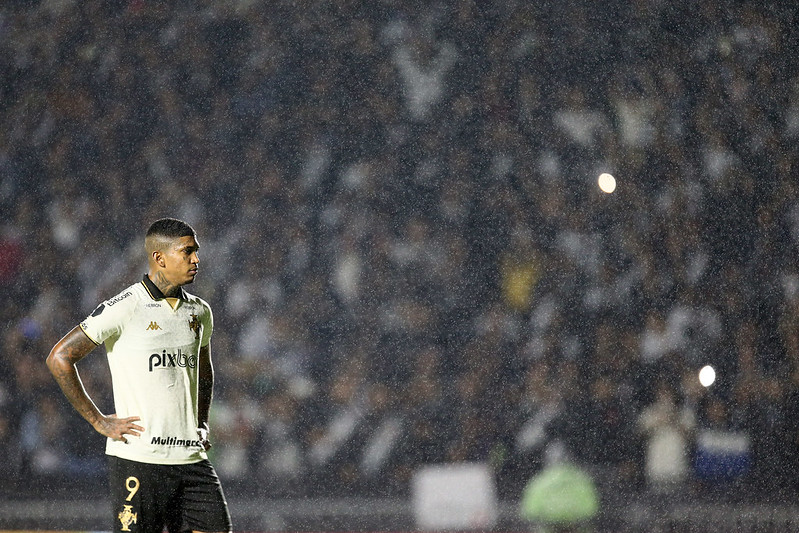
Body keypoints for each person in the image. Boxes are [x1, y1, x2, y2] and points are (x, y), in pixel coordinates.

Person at [46, 218, 231, 533]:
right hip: (140, 458)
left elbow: (204, 372)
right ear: (159, 258)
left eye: (196, 251)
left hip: (190, 458)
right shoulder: (127, 306)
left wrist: (201, 422)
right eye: (187, 252)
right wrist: (98, 420)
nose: (196, 260)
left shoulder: (200, 312)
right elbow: (60, 357)